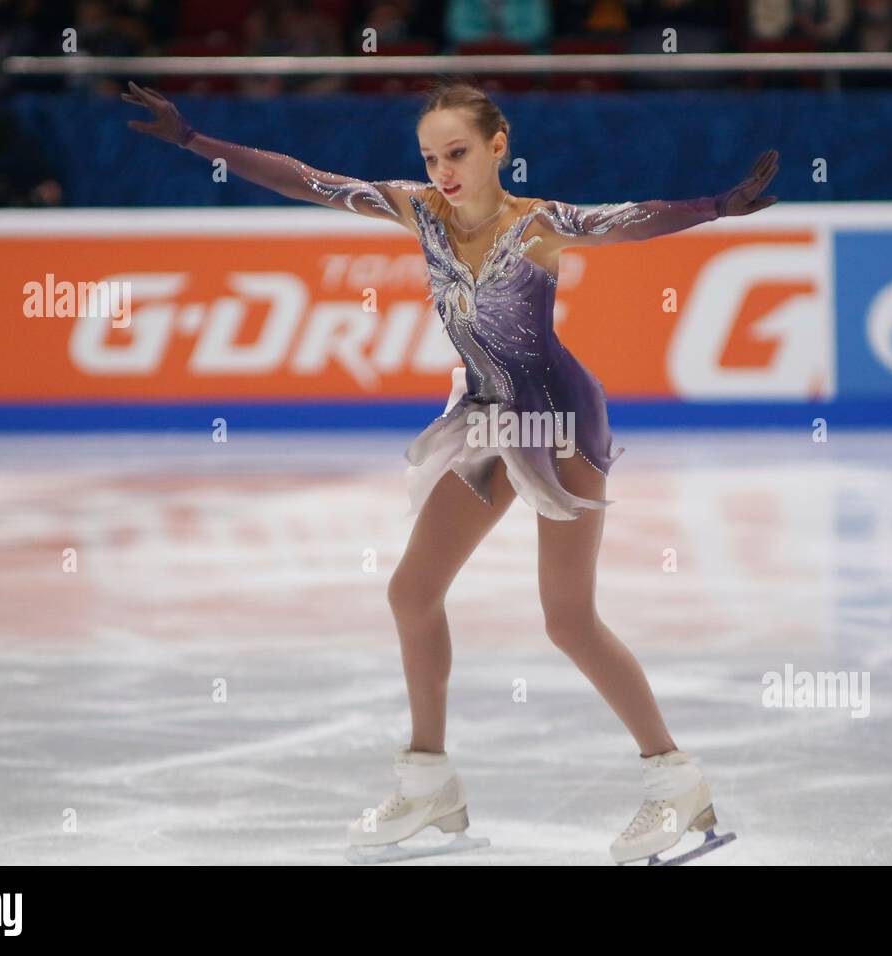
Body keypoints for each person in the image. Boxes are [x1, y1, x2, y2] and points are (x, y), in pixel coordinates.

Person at [122, 79, 778, 865]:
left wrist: (713, 207)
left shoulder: (537, 225)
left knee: (567, 618)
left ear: (499, 145)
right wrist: (198, 141)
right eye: (431, 156)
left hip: (557, 420)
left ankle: (677, 783)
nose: (443, 170)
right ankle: (429, 782)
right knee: (412, 590)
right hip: (486, 415)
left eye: (458, 153)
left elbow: (628, 221)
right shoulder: (418, 211)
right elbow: (309, 181)